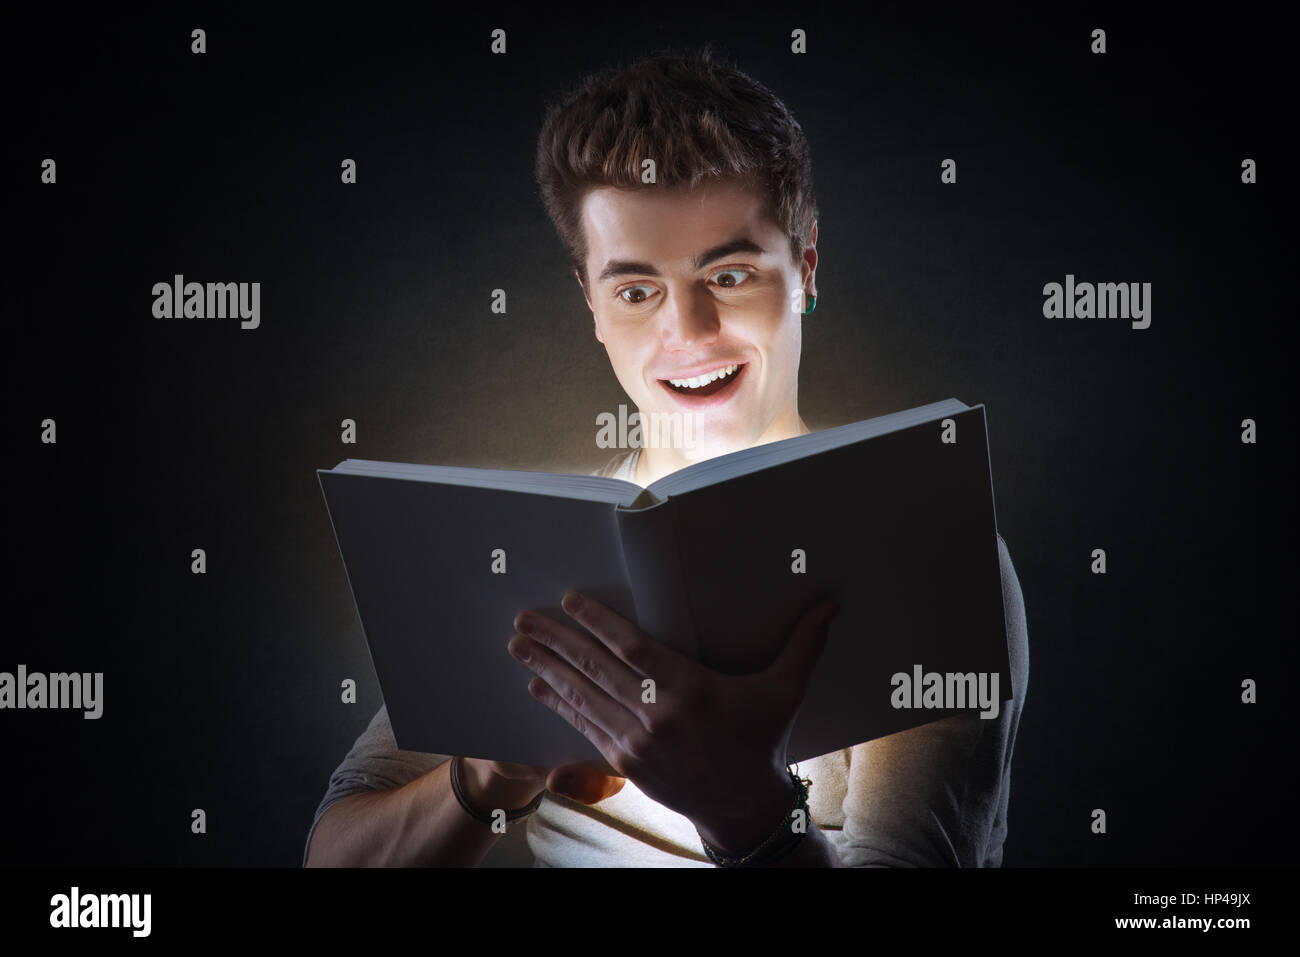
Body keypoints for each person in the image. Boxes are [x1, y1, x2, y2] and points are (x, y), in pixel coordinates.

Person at [304, 46, 1029, 868]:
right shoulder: (521, 547)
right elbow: (335, 855)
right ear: (591, 304)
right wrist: (492, 772)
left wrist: (743, 805)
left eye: (729, 273)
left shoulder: (926, 554)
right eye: (636, 290)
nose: (686, 332)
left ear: (807, 268)